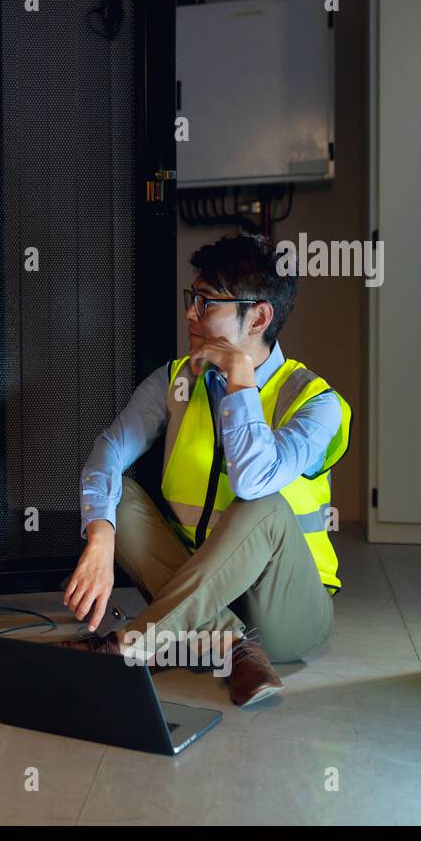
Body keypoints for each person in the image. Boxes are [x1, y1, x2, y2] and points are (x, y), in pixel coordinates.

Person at [61, 233, 351, 706]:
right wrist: (100, 537)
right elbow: (108, 451)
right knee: (122, 498)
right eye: (190, 298)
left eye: (206, 301)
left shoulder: (316, 403)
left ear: (258, 317)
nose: (191, 313)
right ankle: (235, 647)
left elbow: (255, 479)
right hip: (199, 593)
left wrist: (240, 380)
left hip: (285, 610)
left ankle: (131, 646)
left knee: (265, 505)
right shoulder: (177, 379)